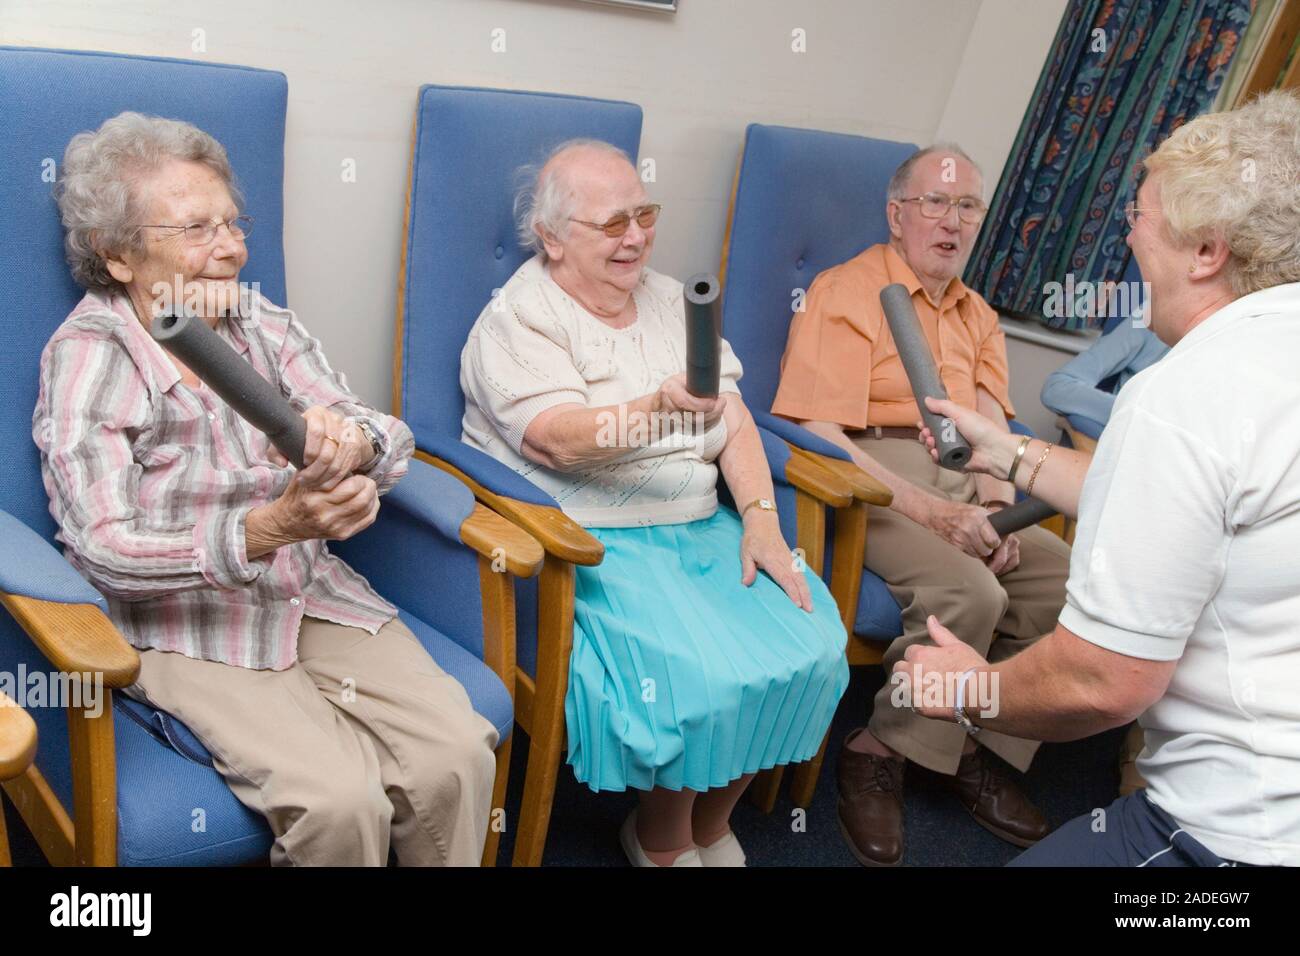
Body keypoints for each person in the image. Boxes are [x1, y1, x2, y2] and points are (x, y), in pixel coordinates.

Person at [35, 112, 497, 866]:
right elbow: (100, 548)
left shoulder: (258, 320)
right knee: (338, 804)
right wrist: (270, 526)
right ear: (118, 254)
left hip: (309, 590)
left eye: (232, 223)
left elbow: (380, 429)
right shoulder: (92, 356)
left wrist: (355, 446)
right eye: (195, 230)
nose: (232, 249)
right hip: (187, 620)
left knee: (456, 756)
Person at [902, 89, 1300, 867]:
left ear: (1207, 250)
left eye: (1141, 214)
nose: (1128, 228)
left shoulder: (1190, 390)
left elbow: (1100, 682)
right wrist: (1007, 453)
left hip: (1232, 840)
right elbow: (1188, 518)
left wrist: (968, 692)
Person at [459, 139, 848, 867]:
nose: (636, 235)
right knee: (702, 678)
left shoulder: (671, 300)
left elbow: (732, 416)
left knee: (813, 647)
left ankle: (709, 822)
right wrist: (655, 408)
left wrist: (760, 520)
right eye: (612, 223)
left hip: (702, 525)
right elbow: (556, 441)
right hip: (594, 543)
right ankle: (662, 834)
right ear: (551, 236)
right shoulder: (518, 319)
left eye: (644, 214)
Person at [770, 142, 1069, 865]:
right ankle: (877, 748)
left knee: (1065, 576)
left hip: (967, 466)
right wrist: (934, 514)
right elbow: (817, 429)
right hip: (873, 468)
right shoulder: (846, 291)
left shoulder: (980, 314)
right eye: (934, 202)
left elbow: (997, 427)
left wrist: (998, 512)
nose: (951, 220)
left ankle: (969, 740)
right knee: (968, 589)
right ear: (897, 213)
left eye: (967, 205)